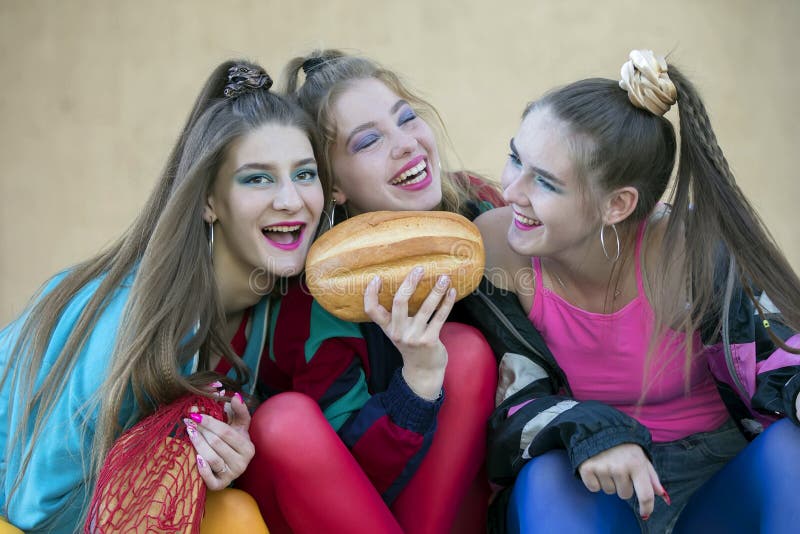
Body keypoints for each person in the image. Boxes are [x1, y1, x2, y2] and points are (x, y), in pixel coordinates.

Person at [458, 50, 800, 533]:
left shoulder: (690, 249)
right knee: (545, 479)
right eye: (516, 157)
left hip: (720, 481)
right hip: (592, 483)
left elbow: (779, 353)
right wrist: (589, 428)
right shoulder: (492, 249)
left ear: (617, 204)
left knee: (793, 449)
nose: (511, 190)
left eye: (546, 184)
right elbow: (511, 411)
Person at [0, 59, 324, 532]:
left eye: (305, 173)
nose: (292, 200)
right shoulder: (134, 315)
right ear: (208, 201)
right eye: (258, 178)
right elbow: (36, 509)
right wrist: (173, 475)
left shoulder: (267, 308)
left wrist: (211, 469)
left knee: (233, 515)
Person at [232, 50, 503, 534]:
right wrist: (417, 383)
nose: (405, 144)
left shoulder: (483, 209)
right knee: (282, 420)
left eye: (406, 119)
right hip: (333, 508)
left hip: (446, 509)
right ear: (333, 186)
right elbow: (354, 485)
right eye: (370, 141)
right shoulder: (317, 297)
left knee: (465, 350)